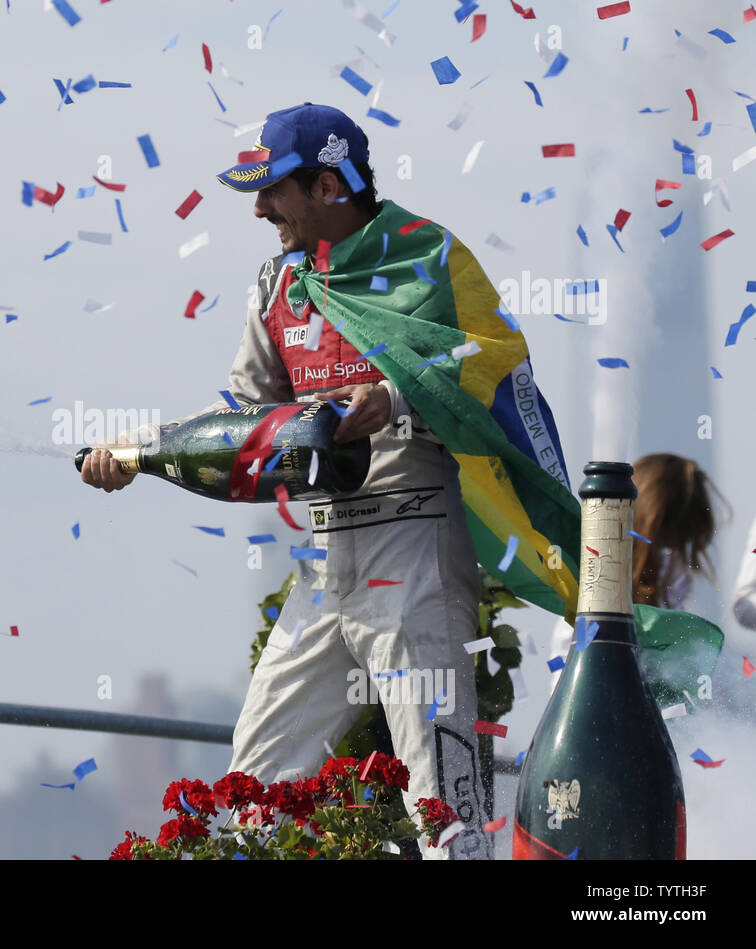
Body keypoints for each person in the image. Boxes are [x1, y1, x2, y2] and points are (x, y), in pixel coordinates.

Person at [81, 103, 529, 859]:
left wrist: (392, 394)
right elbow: (242, 417)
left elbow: (497, 357)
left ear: (328, 185)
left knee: (441, 802)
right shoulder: (276, 284)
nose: (258, 208)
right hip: (323, 562)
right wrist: (143, 451)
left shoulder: (430, 255)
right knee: (249, 789)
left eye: (272, 190)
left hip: (413, 548)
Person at [550, 453, 723, 688]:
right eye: (668, 543)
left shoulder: (674, 590)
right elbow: (567, 680)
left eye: (681, 546)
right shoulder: (592, 594)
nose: (674, 561)